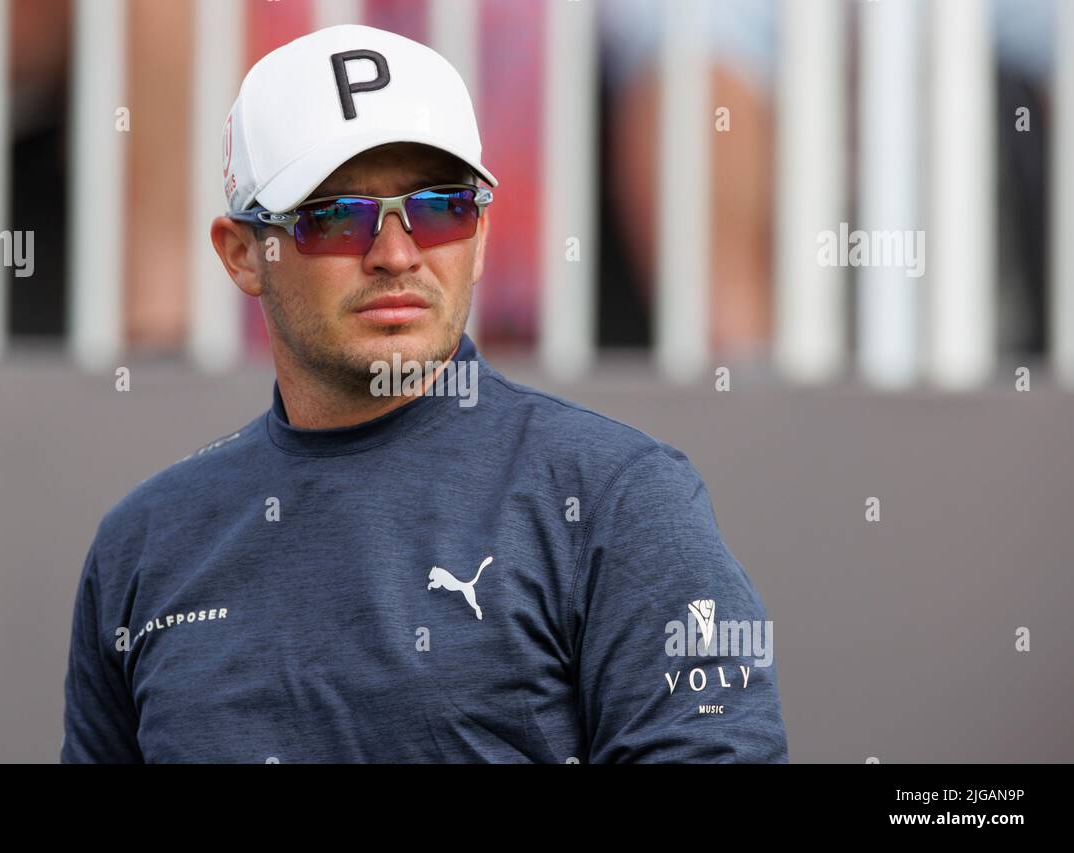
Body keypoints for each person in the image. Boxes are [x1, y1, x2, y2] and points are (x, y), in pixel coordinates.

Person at [61, 23, 788, 763]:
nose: (397, 254)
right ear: (243, 253)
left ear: (480, 235)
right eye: (338, 217)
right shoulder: (144, 545)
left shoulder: (618, 499)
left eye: (442, 208)